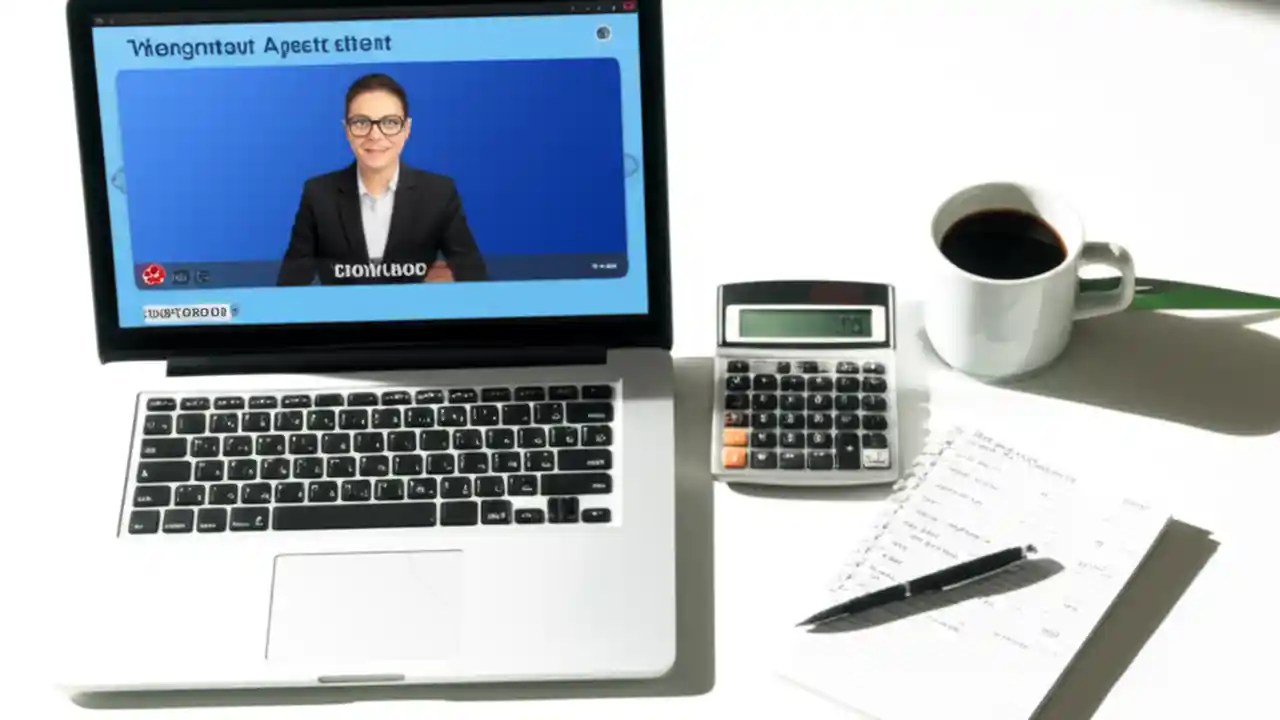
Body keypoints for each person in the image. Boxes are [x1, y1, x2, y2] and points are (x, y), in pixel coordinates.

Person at [277, 73, 487, 285]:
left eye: (389, 122)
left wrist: (450, 281)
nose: (375, 135)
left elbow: (474, 275)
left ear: (406, 129)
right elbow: (289, 286)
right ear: (346, 130)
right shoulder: (318, 194)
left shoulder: (438, 193)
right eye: (361, 123)